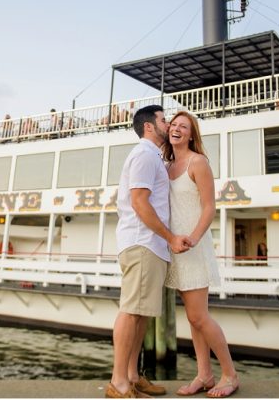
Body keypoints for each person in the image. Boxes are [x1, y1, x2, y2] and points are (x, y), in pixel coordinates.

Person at [107, 105, 193, 399]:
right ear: (148, 126)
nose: (168, 124)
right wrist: (170, 237)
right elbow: (139, 203)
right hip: (143, 242)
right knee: (131, 311)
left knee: (141, 314)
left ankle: (132, 376)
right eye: (163, 120)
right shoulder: (144, 154)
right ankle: (118, 382)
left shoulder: (153, 156)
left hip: (150, 245)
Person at [163, 111, 240, 398]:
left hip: (193, 248)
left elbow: (209, 207)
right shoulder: (167, 166)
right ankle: (204, 375)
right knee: (193, 318)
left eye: (184, 126)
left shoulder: (198, 162)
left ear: (191, 135)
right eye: (173, 125)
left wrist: (194, 237)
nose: (177, 129)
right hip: (176, 249)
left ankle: (230, 375)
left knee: (199, 317)